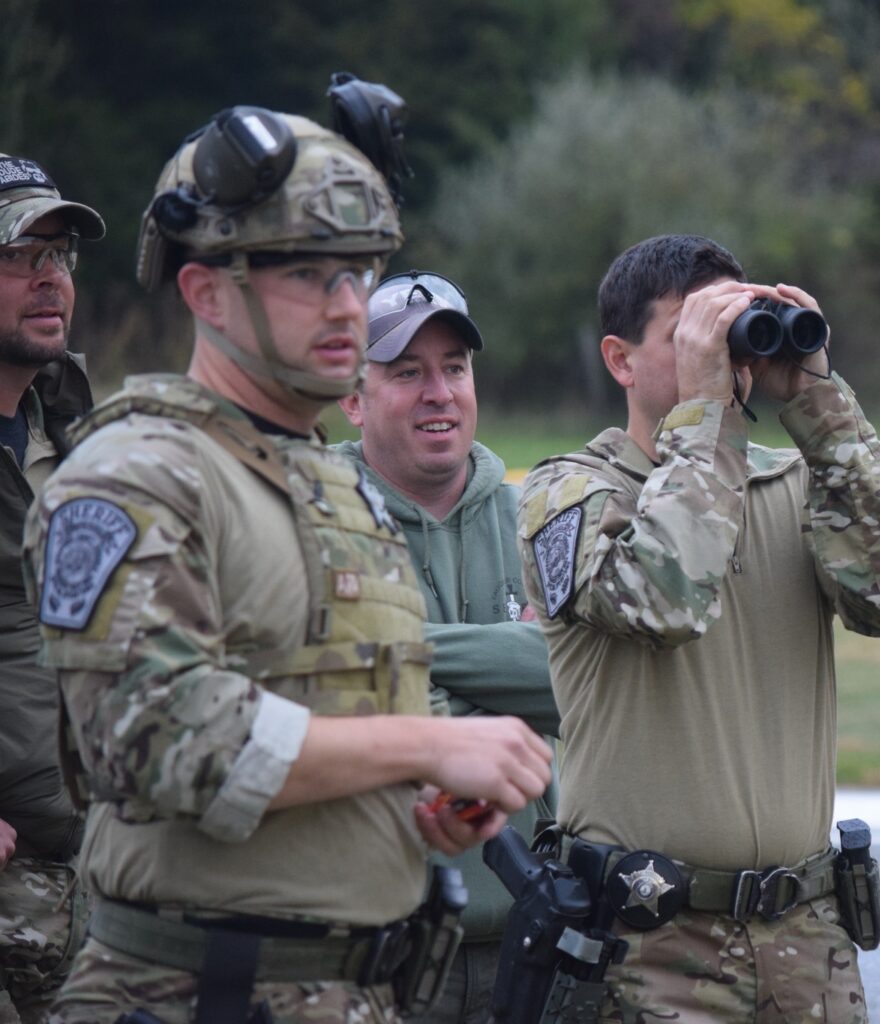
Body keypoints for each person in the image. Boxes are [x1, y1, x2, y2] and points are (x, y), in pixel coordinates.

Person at [23, 104, 552, 1023]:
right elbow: (153, 740)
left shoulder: (326, 484)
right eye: (308, 273)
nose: (348, 304)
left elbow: (318, 726)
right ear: (205, 293)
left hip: (348, 987)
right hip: (198, 992)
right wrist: (429, 743)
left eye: (357, 271)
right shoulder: (139, 475)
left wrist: (409, 808)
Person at [516, 234, 880, 1023]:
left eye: (734, 331)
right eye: (694, 337)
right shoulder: (570, 494)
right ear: (621, 360)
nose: (726, 357)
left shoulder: (791, 485)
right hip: (649, 944)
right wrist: (707, 416)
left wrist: (823, 411)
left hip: (807, 938)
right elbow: (664, 599)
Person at [336, 269, 561, 1023]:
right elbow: (333, 686)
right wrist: (506, 660)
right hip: (375, 953)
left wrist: (398, 644)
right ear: (352, 398)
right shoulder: (318, 522)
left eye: (454, 369)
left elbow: (572, 678)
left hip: (535, 943)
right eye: (407, 372)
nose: (439, 391)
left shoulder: (537, 516)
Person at [0, 155, 104, 1024]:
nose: (48, 278)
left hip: (92, 863)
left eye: (60, 254)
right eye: (19, 255)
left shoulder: (71, 421)